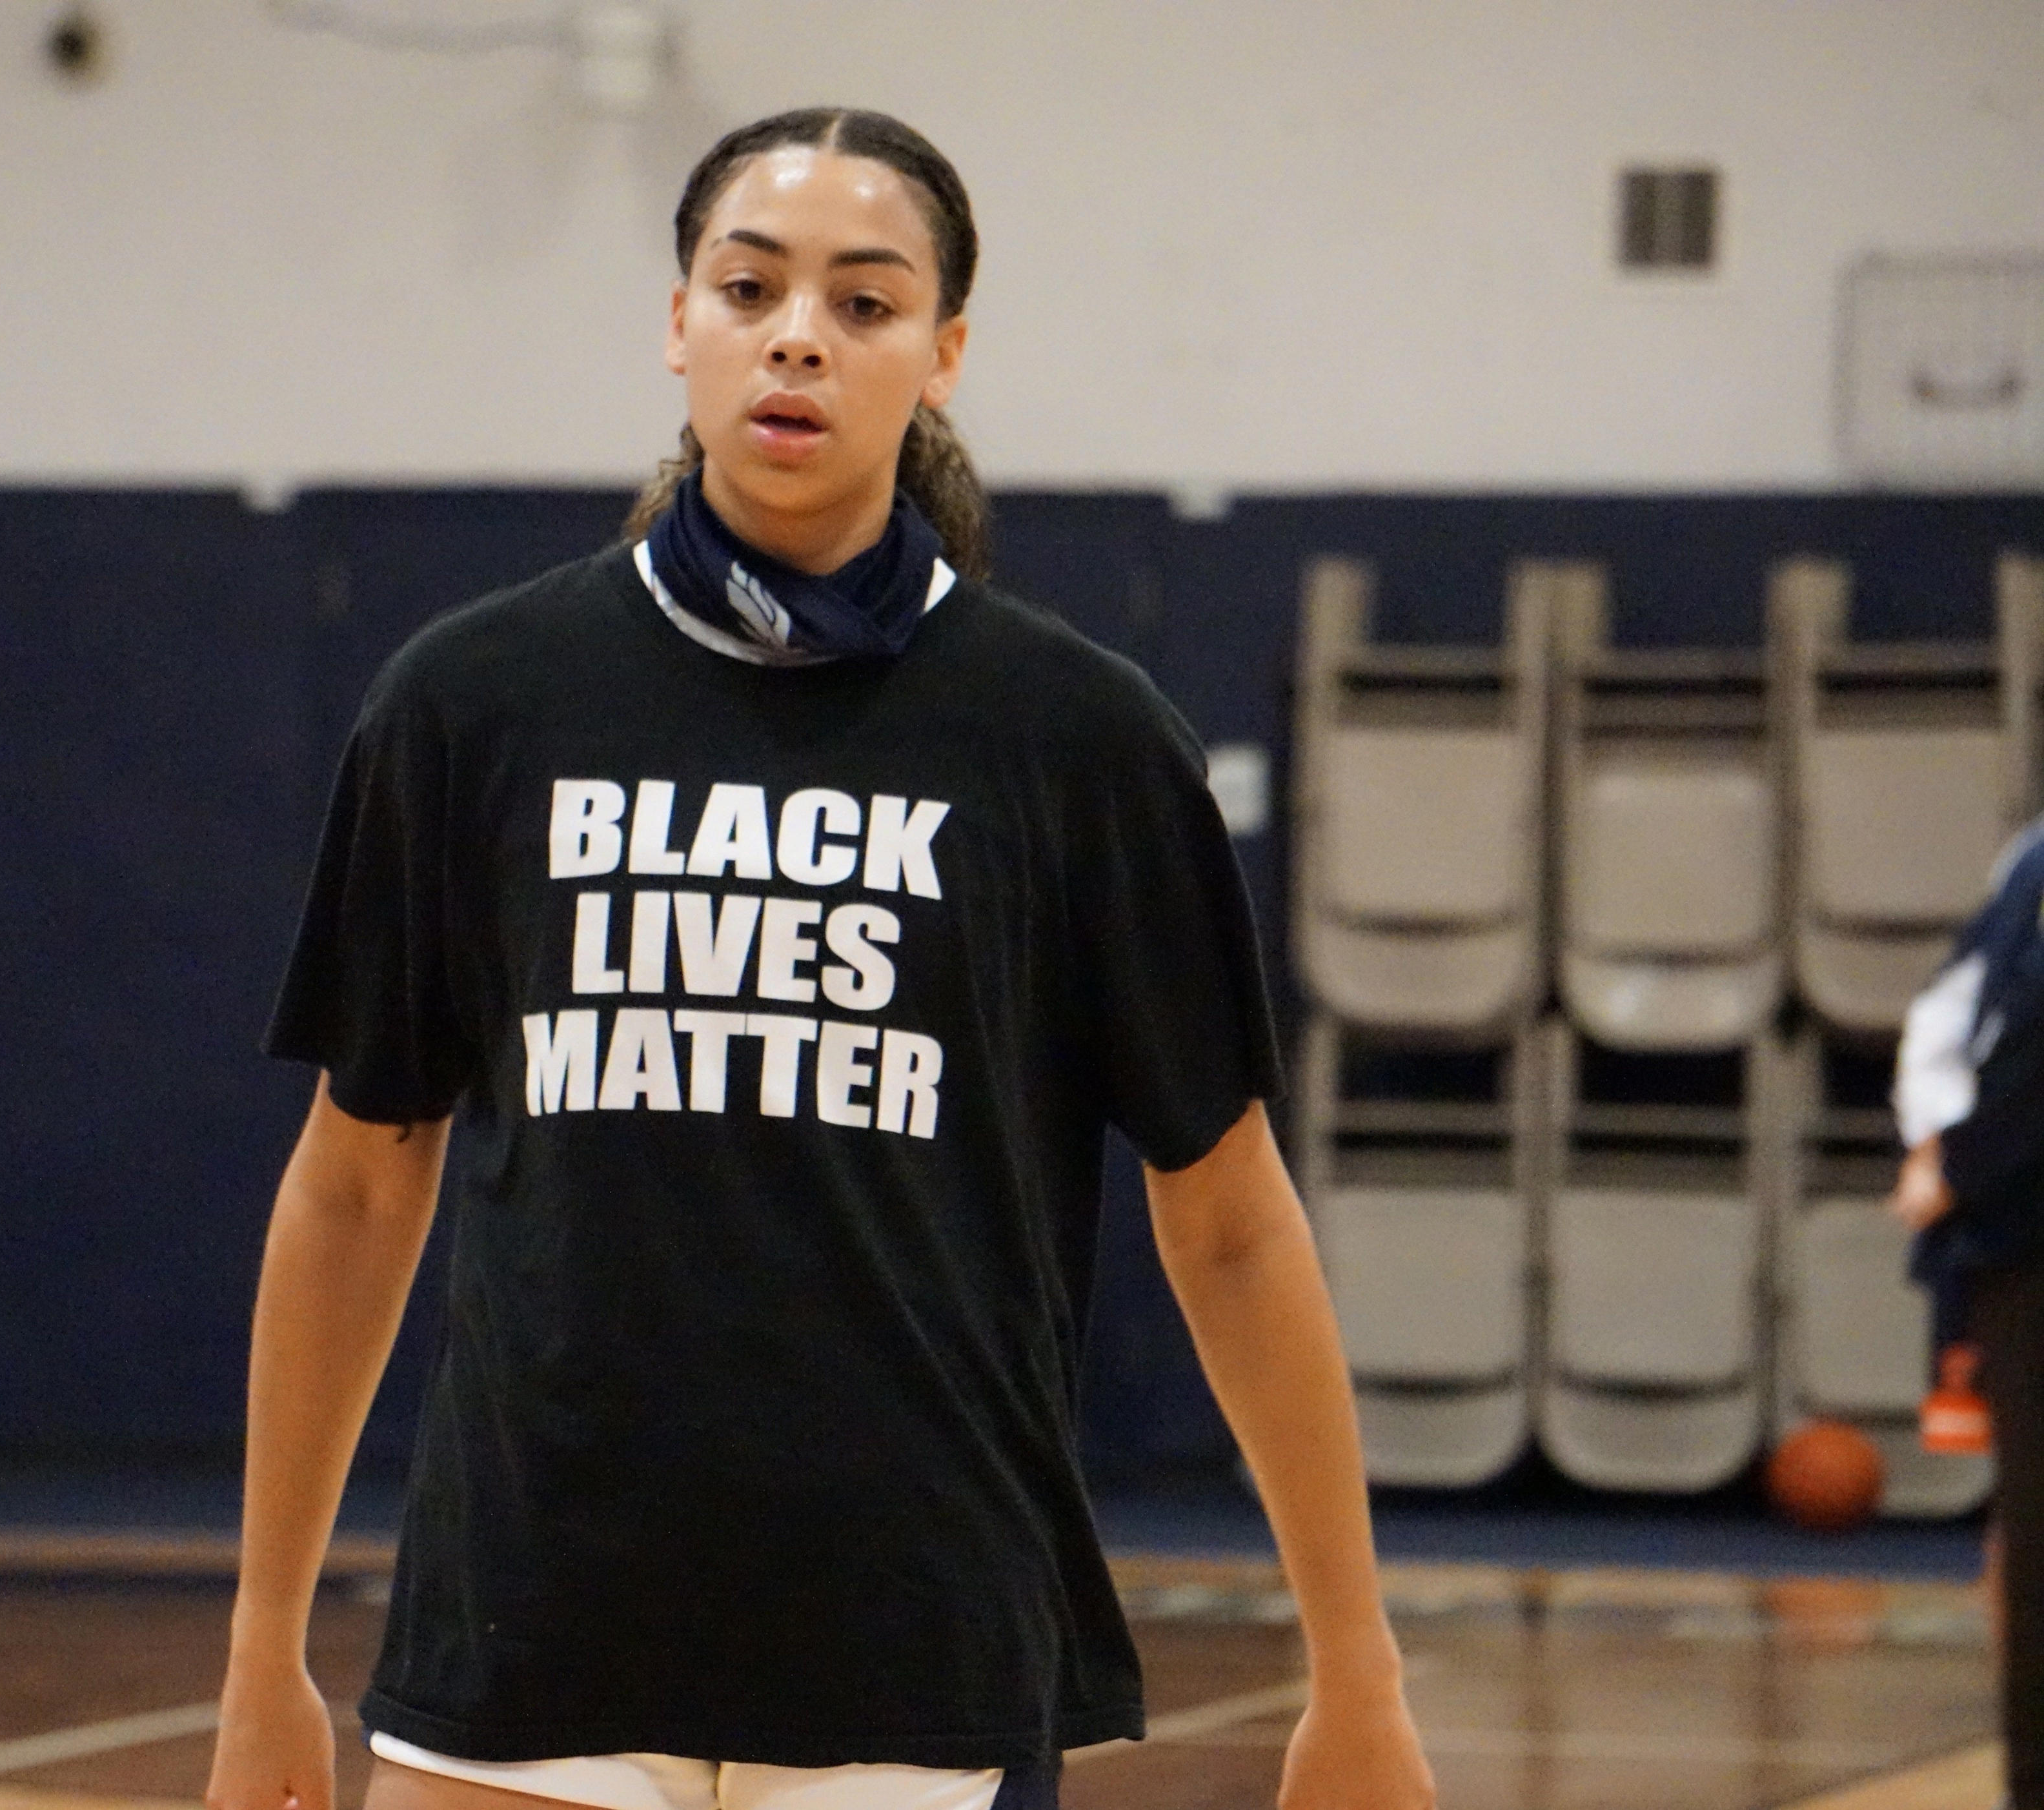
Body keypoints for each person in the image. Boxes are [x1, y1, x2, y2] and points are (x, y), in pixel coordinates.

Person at [207, 107, 1435, 1810]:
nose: (796, 331)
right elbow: (353, 1186)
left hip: (913, 1639)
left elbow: (1227, 1220)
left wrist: (1353, 1671)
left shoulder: (1077, 742)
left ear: (941, 353)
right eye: (748, 283)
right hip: (535, 1613)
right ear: (676, 323)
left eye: (862, 303)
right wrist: (261, 1644)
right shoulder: (470, 701)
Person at [1890, 815, 2044, 1810]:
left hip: (2020, 1220)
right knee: (2017, 1530)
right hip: (2011, 1236)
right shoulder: (2025, 863)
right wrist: (1942, 1146)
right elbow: (1959, 1019)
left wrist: (1964, 1163)